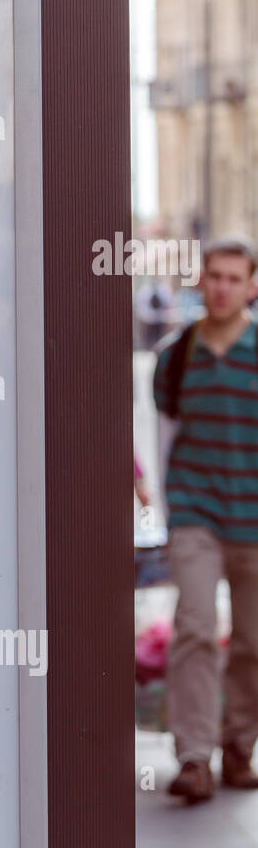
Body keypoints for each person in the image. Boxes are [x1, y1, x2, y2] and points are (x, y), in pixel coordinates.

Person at [153, 235, 258, 803]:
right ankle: (195, 757)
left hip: (255, 519)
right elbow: (166, 433)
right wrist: (170, 514)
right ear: (202, 281)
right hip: (196, 513)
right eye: (213, 276)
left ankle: (239, 745)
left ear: (251, 286)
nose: (221, 287)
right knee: (194, 626)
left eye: (233, 278)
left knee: (252, 640)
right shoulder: (176, 354)